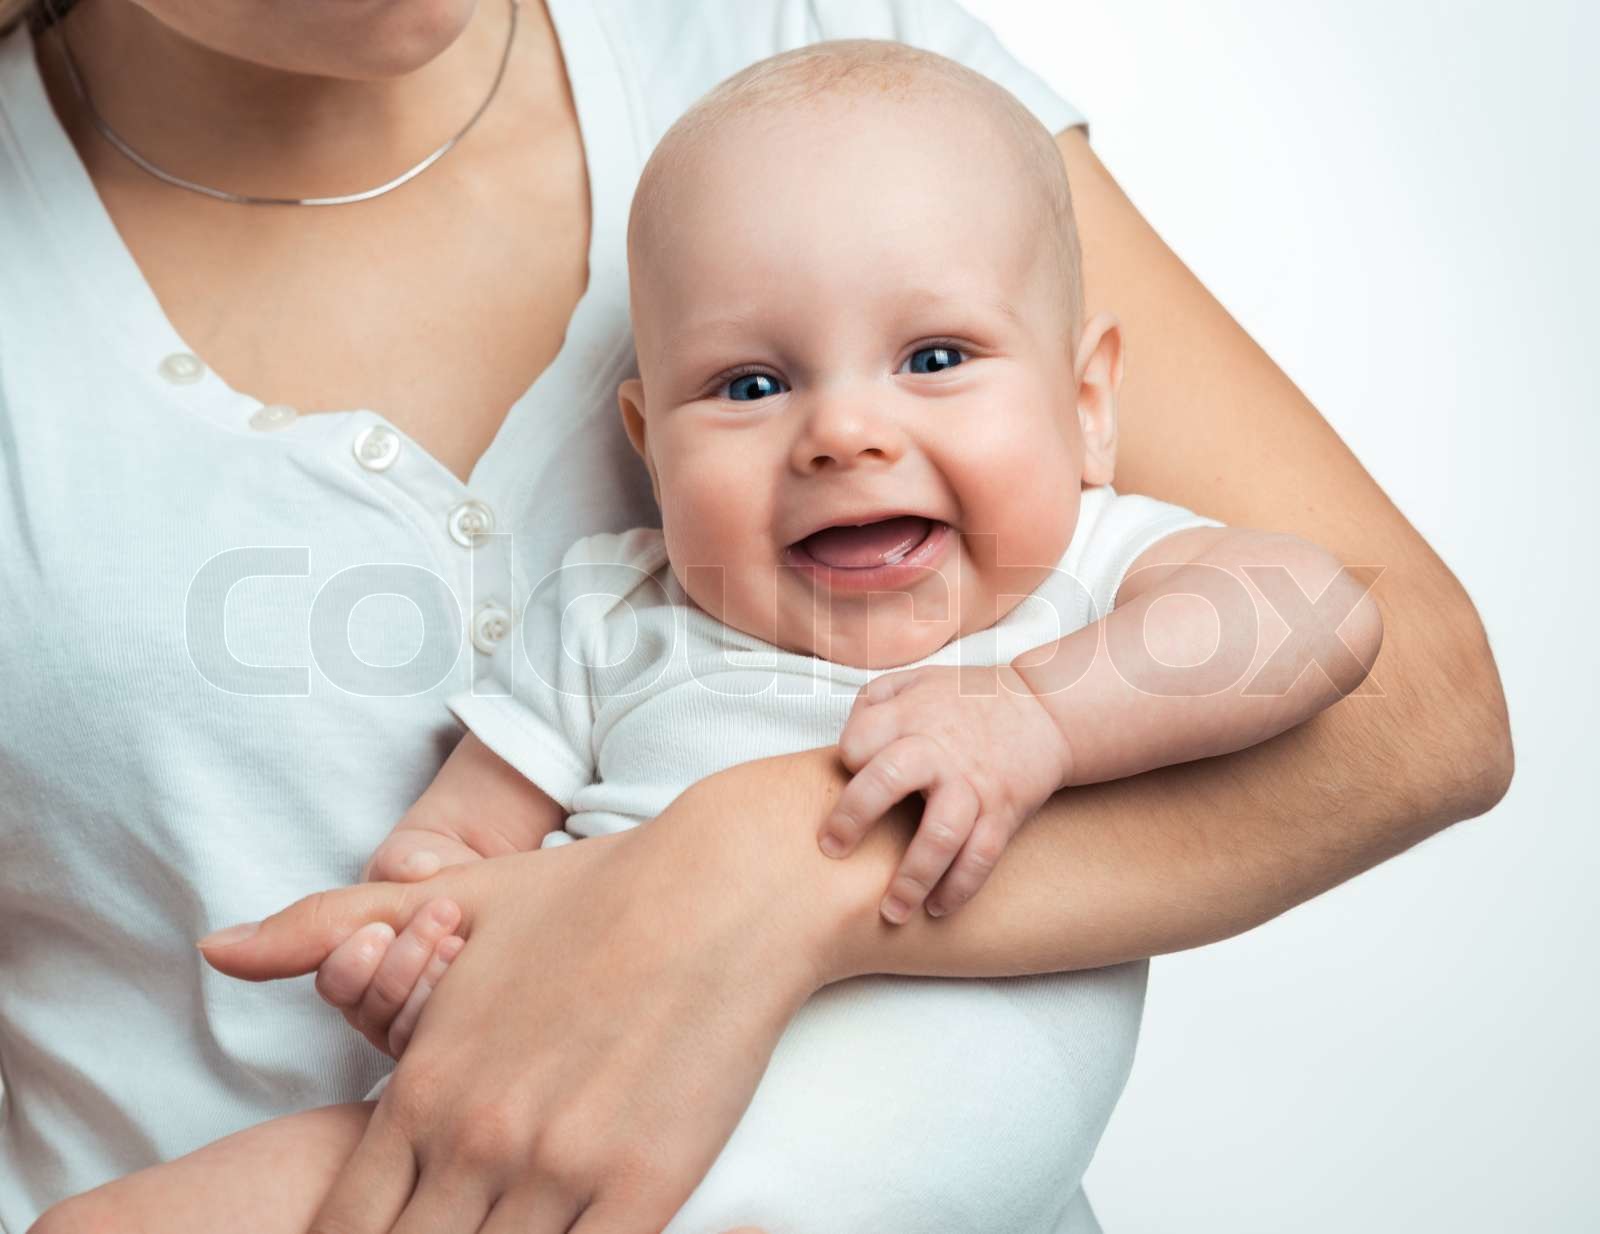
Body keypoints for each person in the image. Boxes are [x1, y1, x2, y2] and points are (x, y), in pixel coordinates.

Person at [0, 0, 1511, 1232]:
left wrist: (1036, 717)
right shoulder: (620, 613)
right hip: (457, 1161)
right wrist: (419, 928)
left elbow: (1338, 627)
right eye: (752, 386)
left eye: (933, 359)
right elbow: (460, 836)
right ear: (644, 442)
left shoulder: (1086, 575)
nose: (846, 434)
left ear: (1090, 402)